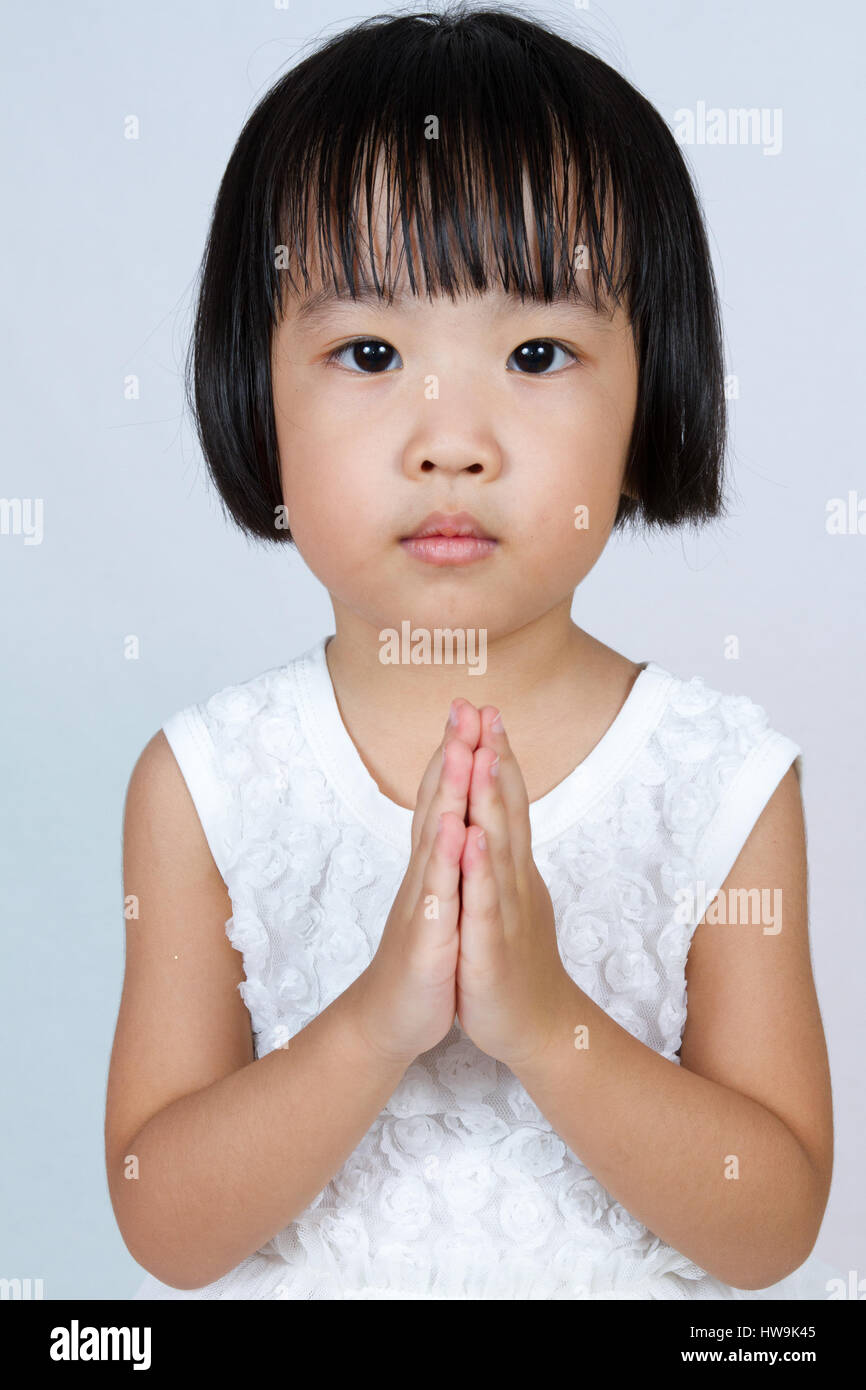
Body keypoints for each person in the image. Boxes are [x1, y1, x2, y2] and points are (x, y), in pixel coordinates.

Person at [106, 4, 835, 1300]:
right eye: (370, 351)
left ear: (651, 387)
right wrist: (380, 1017)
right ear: (251, 384)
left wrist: (545, 1017)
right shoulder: (204, 783)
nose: (452, 441)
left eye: (535, 352)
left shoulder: (721, 778)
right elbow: (165, 1226)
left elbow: (769, 1225)